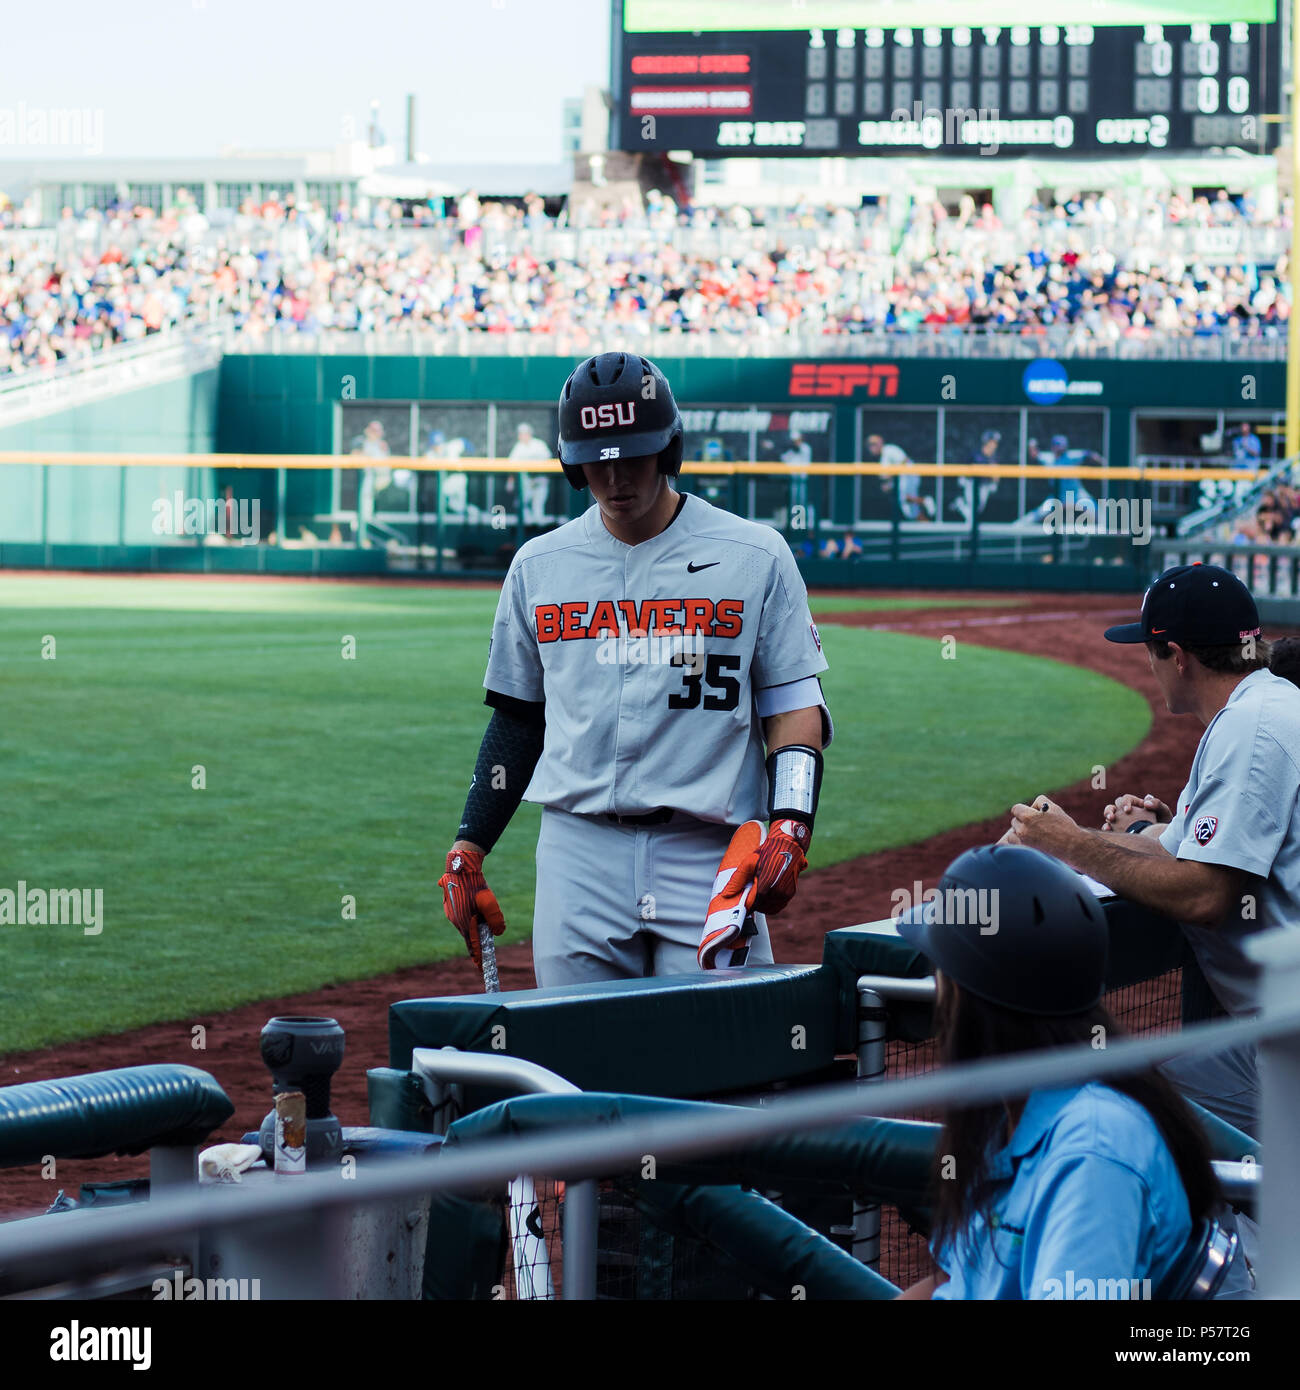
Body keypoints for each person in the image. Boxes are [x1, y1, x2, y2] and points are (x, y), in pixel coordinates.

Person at [438, 352, 832, 985]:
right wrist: (469, 843)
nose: (615, 477)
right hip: (579, 849)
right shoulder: (540, 567)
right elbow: (518, 719)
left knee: (716, 1056)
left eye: (633, 456)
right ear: (573, 464)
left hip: (709, 847)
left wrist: (791, 826)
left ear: (668, 450)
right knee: (576, 1058)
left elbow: (792, 707)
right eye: (597, 461)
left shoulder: (754, 554)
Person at [1004, 563, 1300, 1137]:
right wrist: (1074, 837)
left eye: (1151, 649)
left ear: (1179, 656)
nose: (1148, 662)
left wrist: (1074, 846)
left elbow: (1205, 893)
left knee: (1118, 1113)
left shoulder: (1251, 728)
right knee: (1144, 1097)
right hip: (1276, 1033)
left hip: (1287, 1046)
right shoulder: (1265, 705)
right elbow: (1178, 851)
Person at [894, 845, 1225, 1301]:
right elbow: (953, 1285)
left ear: (977, 998)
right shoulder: (1006, 1115)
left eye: (943, 972)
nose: (938, 992)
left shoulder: (1093, 1149)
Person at [868, 433, 931, 521]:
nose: (872, 447)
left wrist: (891, 476)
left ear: (880, 443)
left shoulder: (889, 449)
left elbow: (905, 460)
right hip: (904, 479)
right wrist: (889, 485)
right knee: (911, 512)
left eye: (874, 444)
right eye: (870, 445)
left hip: (909, 477)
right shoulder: (882, 458)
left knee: (904, 500)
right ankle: (927, 524)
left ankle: (925, 501)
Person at [508, 422, 554, 527]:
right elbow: (511, 465)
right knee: (521, 503)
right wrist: (510, 481)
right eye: (520, 433)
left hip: (540, 479)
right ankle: (527, 524)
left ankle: (538, 526)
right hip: (526, 480)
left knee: (538, 505)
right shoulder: (518, 447)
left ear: (529, 434)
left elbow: (548, 460)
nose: (522, 436)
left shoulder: (539, 445)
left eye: (524, 433)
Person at [951, 428, 1001, 524]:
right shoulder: (976, 454)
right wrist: (962, 477)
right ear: (987, 442)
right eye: (993, 442)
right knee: (973, 512)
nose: (994, 445)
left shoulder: (994, 458)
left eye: (995, 443)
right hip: (972, 484)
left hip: (984, 486)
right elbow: (964, 465)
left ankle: (960, 504)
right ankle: (970, 532)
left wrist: (995, 482)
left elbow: (996, 475)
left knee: (977, 510)